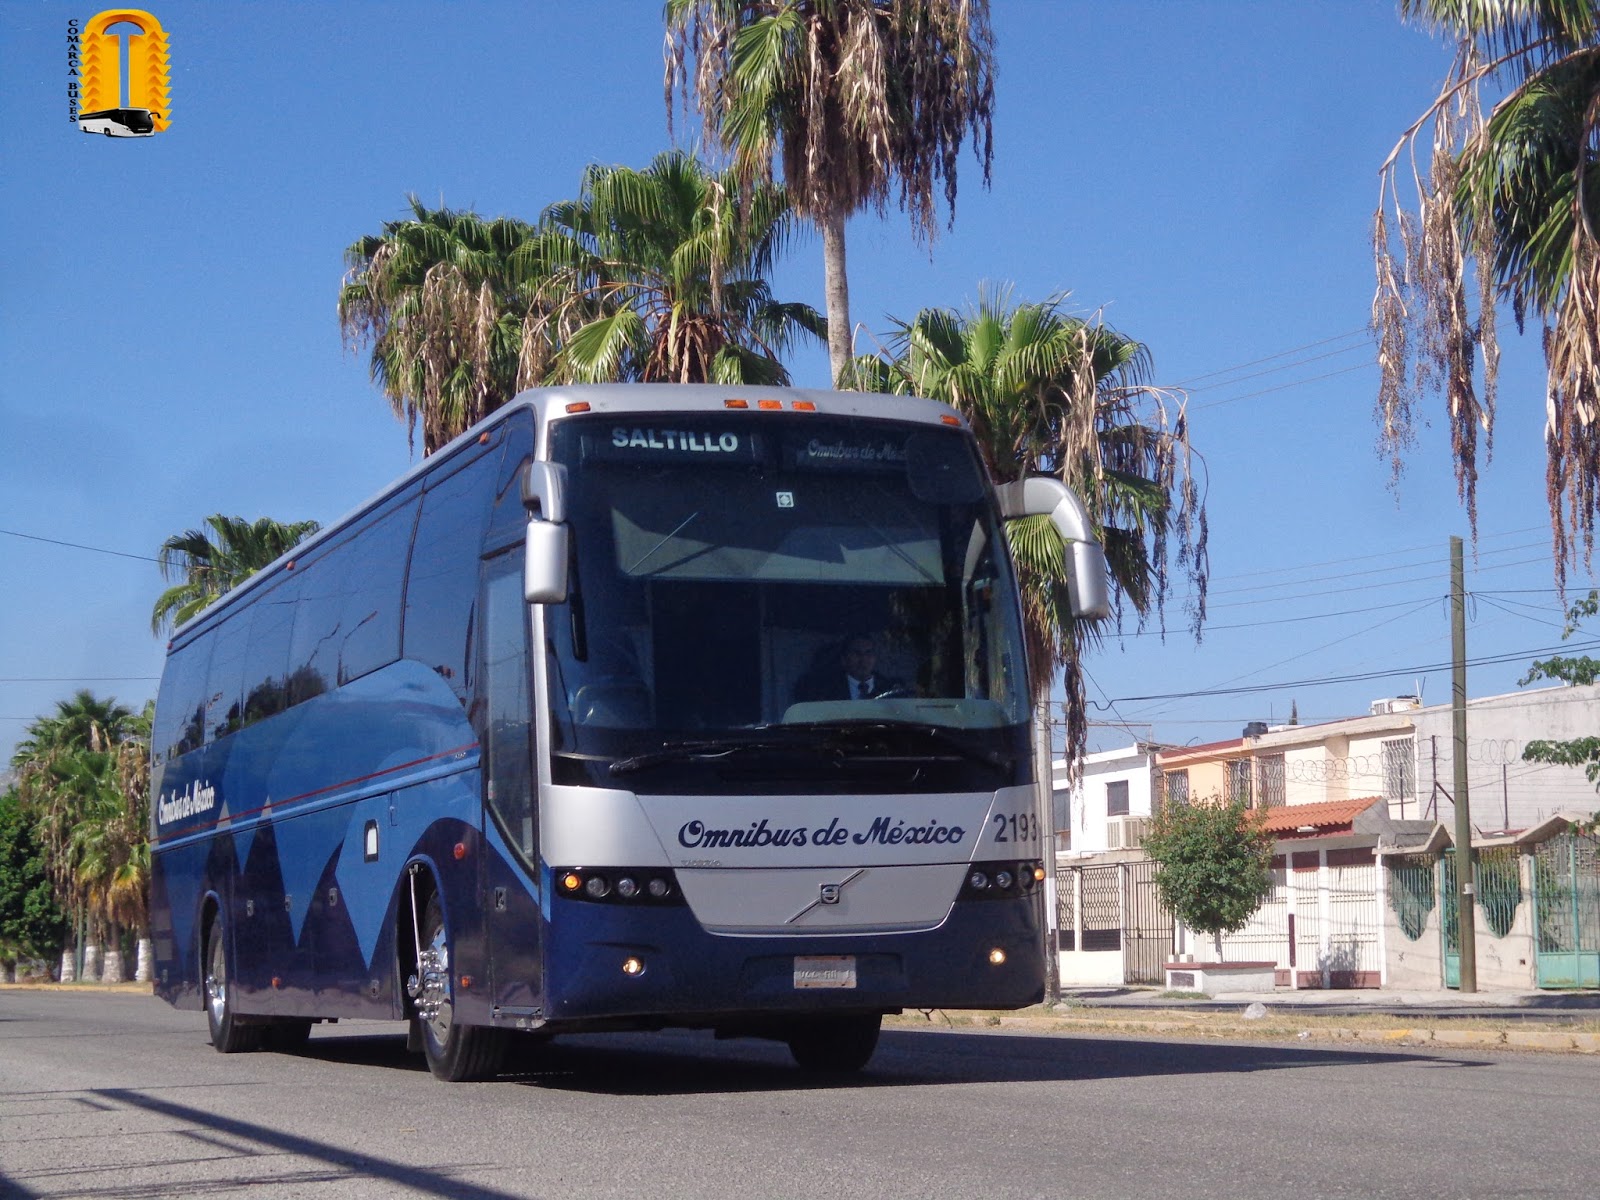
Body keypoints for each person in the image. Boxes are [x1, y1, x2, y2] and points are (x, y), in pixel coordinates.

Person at [798, 633, 905, 702]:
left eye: (868, 653)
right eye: (856, 653)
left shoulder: (891, 689)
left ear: (875, 658)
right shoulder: (827, 692)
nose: (863, 659)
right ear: (844, 660)